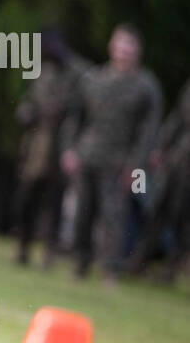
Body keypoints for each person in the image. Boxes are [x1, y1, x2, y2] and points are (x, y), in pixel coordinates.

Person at [60, 24, 164, 280]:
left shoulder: (146, 87)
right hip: (88, 154)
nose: (124, 50)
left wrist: (137, 165)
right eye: (120, 43)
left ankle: (110, 270)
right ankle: (80, 264)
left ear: (138, 50)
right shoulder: (94, 79)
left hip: (120, 162)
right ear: (111, 46)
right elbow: (75, 118)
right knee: (83, 212)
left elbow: (149, 131)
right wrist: (69, 149)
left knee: (114, 216)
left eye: (130, 45)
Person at [10, 28, 83, 266]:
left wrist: (73, 147)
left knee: (55, 202)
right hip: (36, 146)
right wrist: (26, 112)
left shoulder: (79, 73)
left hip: (62, 147)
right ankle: (23, 248)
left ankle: (49, 252)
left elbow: (81, 113)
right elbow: (30, 101)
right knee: (27, 197)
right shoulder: (42, 71)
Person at [128, 78, 190, 282]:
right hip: (174, 166)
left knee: (183, 222)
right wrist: (160, 148)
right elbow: (178, 118)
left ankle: (171, 270)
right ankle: (139, 262)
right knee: (156, 214)